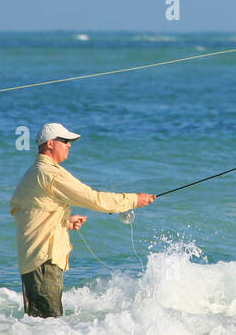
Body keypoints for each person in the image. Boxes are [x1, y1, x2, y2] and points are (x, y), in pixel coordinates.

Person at [10, 122, 155, 317]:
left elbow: (25, 212)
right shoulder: (50, 174)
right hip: (44, 263)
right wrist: (134, 200)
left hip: (33, 261)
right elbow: (94, 199)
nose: (70, 145)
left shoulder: (33, 173)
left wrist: (64, 223)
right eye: (65, 141)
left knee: (39, 325)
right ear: (50, 143)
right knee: (49, 325)